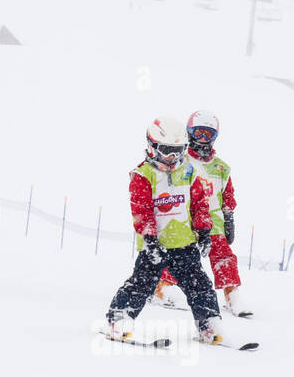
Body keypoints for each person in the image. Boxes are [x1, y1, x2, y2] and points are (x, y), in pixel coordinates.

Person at [106, 117, 223, 343]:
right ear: (152, 147)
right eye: (167, 151)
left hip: (184, 244)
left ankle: (209, 325)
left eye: (178, 152)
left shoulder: (188, 172)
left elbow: (200, 204)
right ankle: (118, 321)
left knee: (200, 286)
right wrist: (150, 239)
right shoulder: (143, 176)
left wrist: (204, 231)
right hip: (155, 246)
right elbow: (142, 210)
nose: (172, 158)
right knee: (140, 286)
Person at [153, 110, 250, 316]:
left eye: (209, 135)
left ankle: (231, 292)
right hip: (185, 215)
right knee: (179, 253)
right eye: (199, 134)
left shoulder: (220, 167)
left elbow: (227, 194)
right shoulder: (181, 160)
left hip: (212, 219)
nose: (203, 140)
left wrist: (229, 218)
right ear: (190, 133)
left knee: (223, 253)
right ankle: (163, 286)